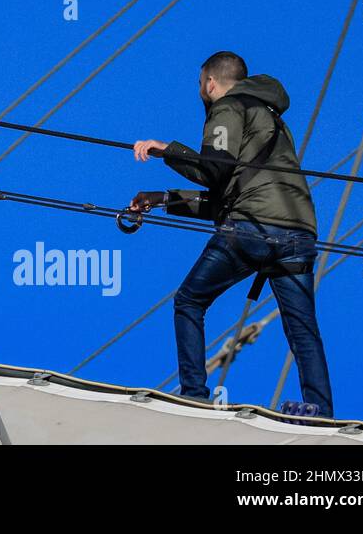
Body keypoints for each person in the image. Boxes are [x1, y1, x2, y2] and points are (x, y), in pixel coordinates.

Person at [130, 51, 333, 416]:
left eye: (200, 84)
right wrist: (162, 199)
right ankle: (320, 409)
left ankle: (194, 395)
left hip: (251, 228)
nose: (201, 91)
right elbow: (232, 193)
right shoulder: (273, 119)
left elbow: (215, 170)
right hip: (299, 233)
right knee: (302, 327)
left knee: (189, 301)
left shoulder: (227, 107)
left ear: (210, 82)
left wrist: (167, 150)